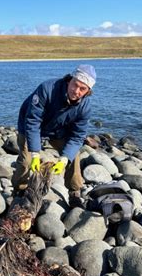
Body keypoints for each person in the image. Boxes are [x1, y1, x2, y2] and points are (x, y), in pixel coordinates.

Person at [11, 64, 96, 207]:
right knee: (26, 160)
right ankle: (19, 190)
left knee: (73, 156)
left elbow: (77, 136)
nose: (76, 91)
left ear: (88, 91)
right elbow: (33, 121)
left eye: (83, 89)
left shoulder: (85, 107)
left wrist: (63, 159)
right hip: (29, 124)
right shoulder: (47, 89)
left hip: (58, 129)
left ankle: (74, 192)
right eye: (75, 84)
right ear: (70, 79)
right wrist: (36, 154)